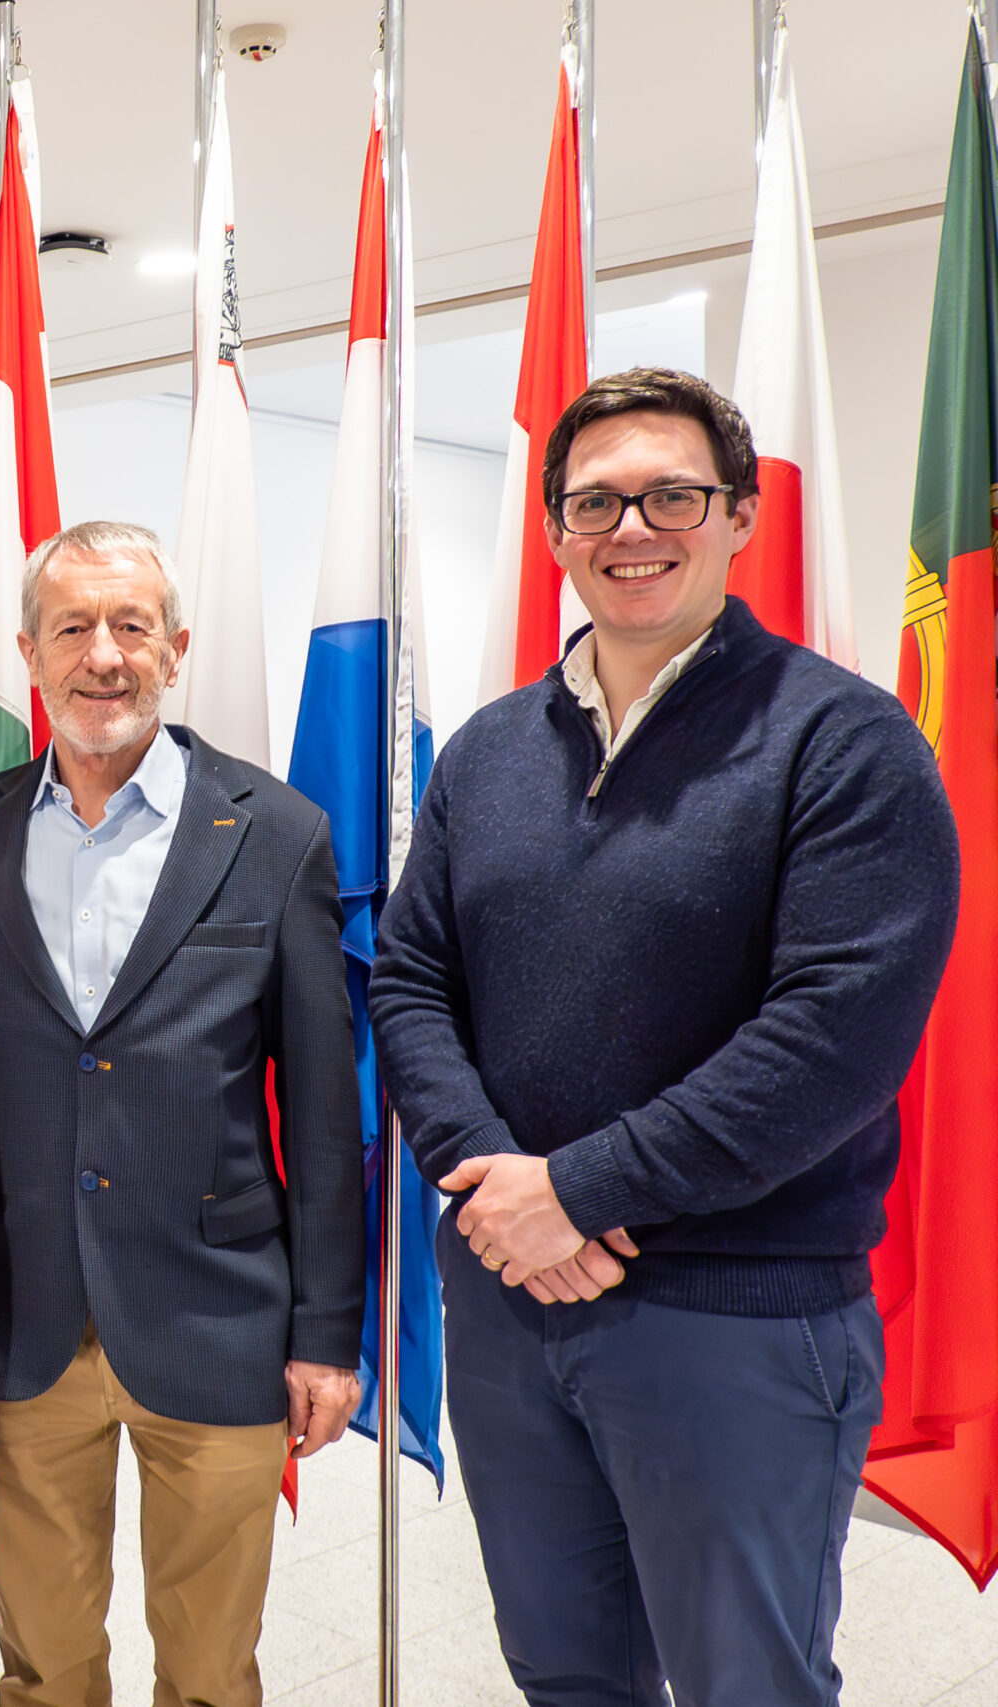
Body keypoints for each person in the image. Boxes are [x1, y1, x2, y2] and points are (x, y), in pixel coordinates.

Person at [371, 366, 962, 1706]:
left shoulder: (844, 742)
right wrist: (495, 1180)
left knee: (745, 1680)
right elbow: (408, 976)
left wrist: (578, 1188)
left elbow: (831, 1042)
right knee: (567, 1671)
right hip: (511, 1300)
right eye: (596, 501)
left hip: (734, 1313)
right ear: (555, 531)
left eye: (673, 494)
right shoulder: (485, 752)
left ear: (740, 515)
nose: (632, 526)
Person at [0, 519, 365, 1707]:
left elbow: (322, 1111)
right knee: (43, 1663)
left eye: (130, 627)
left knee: (211, 1670)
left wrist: (327, 1333)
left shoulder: (274, 831)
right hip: (23, 1317)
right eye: (72, 627)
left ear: (176, 648)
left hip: (216, 1318)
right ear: (28, 650)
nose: (102, 655)